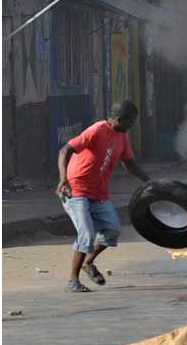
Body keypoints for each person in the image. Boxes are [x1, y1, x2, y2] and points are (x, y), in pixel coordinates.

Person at [56, 100, 151, 292]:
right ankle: (72, 281)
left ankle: (87, 263)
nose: (131, 126)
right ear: (117, 119)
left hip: (98, 193)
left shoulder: (122, 137)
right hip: (75, 190)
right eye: (130, 122)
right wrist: (62, 179)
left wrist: (150, 182)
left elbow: (130, 165)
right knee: (87, 234)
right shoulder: (96, 130)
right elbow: (65, 150)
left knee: (113, 229)